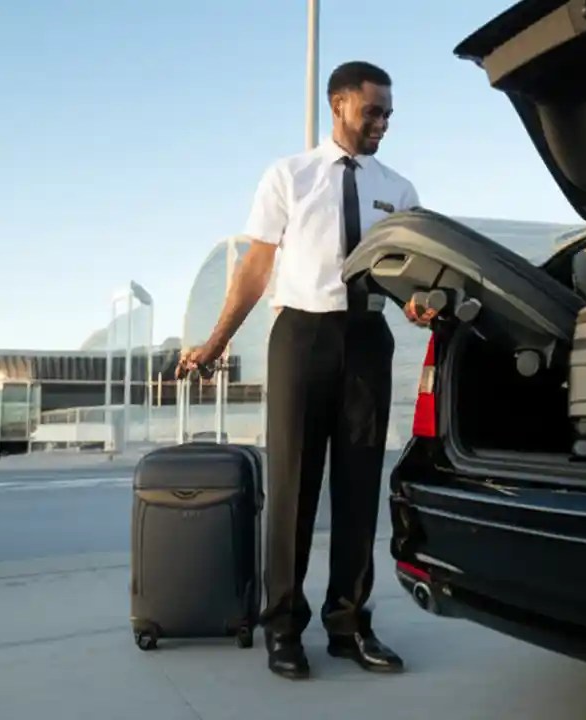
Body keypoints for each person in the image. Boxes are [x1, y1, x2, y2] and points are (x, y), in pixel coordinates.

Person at [178, 60, 436, 680]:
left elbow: (406, 272)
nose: (383, 123)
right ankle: (284, 628)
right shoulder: (289, 176)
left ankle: (348, 625)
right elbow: (255, 270)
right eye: (373, 111)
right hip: (301, 334)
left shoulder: (397, 189)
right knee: (293, 489)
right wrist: (216, 342)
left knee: (357, 489)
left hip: (367, 338)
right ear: (339, 104)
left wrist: (418, 304)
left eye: (389, 113)